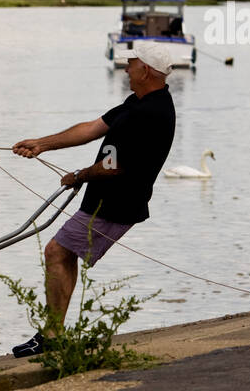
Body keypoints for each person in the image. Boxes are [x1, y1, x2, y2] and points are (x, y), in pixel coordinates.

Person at [9, 41, 177, 357]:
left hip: (118, 204)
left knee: (56, 251)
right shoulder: (136, 102)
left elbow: (114, 166)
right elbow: (91, 128)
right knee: (62, 253)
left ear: (146, 71)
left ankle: (52, 335)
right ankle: (54, 333)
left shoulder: (152, 112)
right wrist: (42, 144)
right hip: (104, 200)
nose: (126, 68)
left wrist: (79, 175)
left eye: (131, 64)